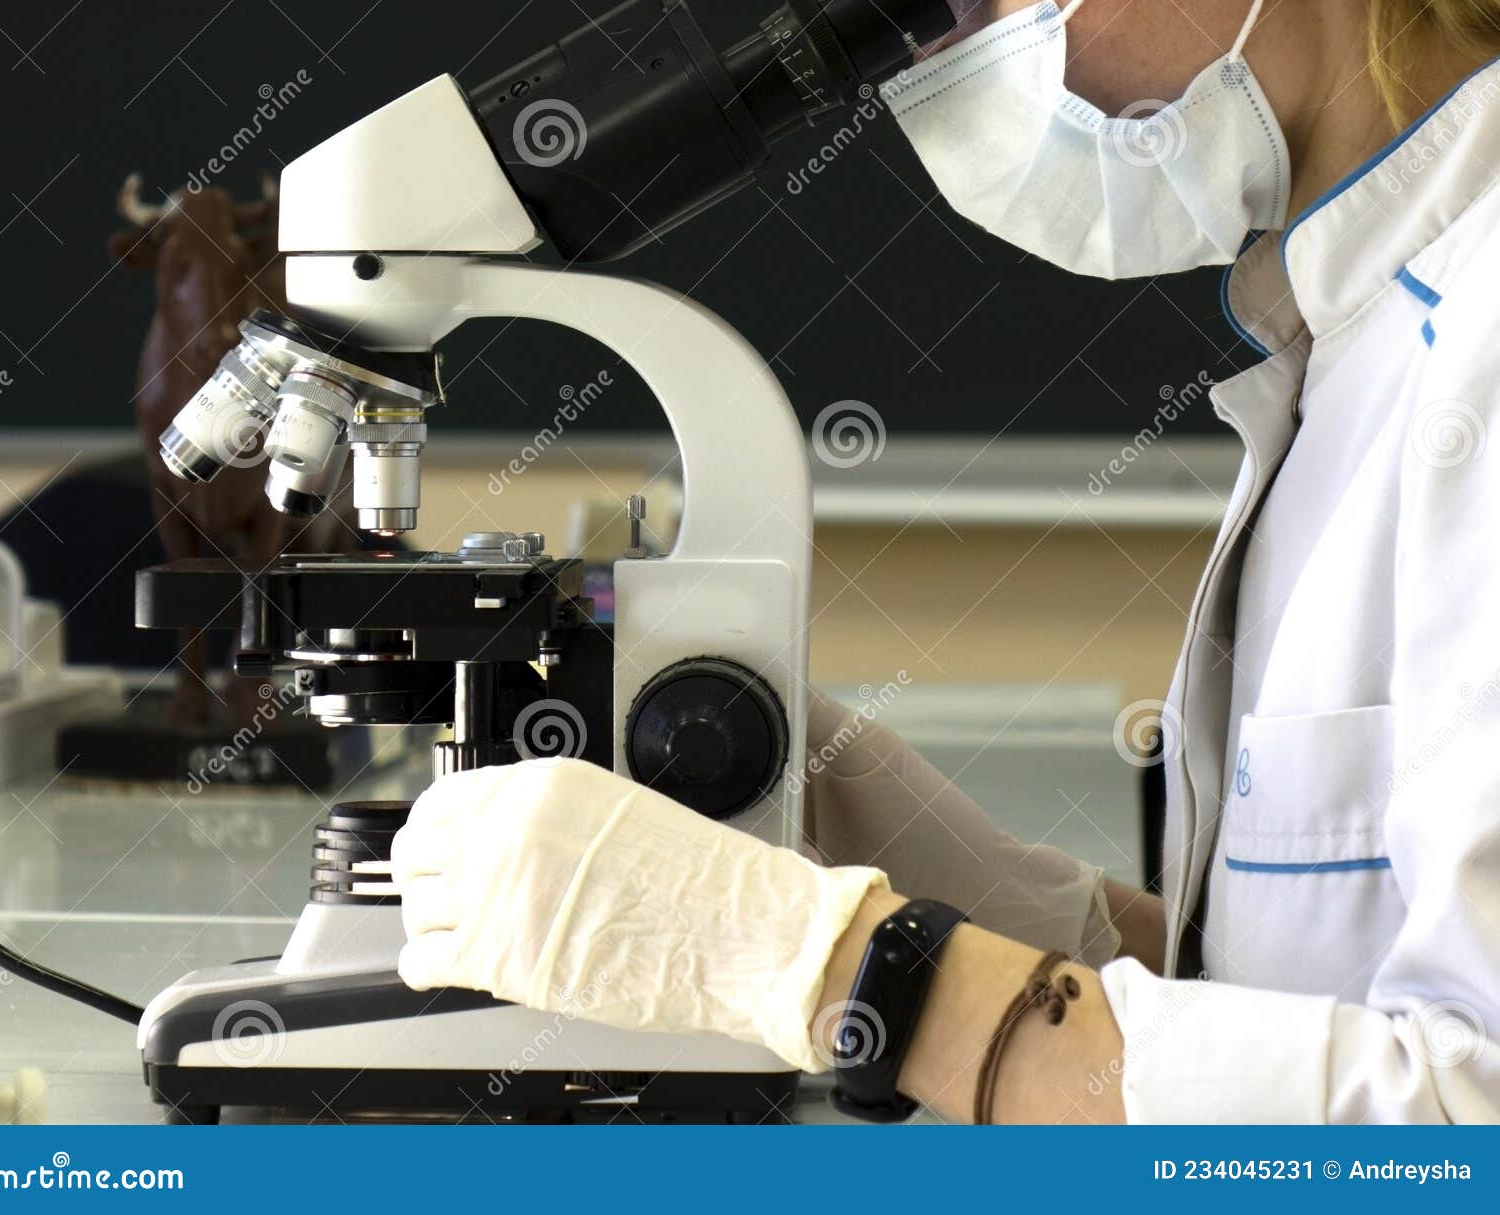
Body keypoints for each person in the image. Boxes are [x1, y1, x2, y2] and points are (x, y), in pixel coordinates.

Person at [392, 0, 1500, 1122]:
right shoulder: (1367, 333)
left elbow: (1462, 1128)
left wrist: (847, 972)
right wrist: (1009, 914)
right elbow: (1320, 1009)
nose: (938, 50)